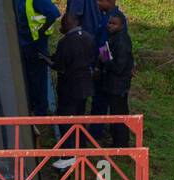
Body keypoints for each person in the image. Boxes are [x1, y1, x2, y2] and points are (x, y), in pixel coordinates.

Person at [46, 13, 95, 169]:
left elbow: (59, 65)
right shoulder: (88, 37)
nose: (61, 27)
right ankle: (81, 151)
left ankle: (68, 155)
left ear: (69, 23)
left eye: (63, 24)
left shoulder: (65, 42)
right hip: (85, 86)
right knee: (80, 119)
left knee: (65, 121)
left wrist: (48, 61)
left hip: (69, 88)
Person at [15, 0, 61, 119]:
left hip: (36, 44)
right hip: (24, 43)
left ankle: (40, 111)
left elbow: (54, 12)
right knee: (28, 78)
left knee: (38, 79)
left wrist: (41, 31)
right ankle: (31, 106)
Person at [95, 13, 134, 148]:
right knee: (115, 113)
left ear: (121, 25)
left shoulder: (122, 41)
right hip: (112, 84)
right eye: (109, 23)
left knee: (119, 114)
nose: (109, 26)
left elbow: (119, 67)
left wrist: (104, 58)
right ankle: (116, 141)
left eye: (113, 24)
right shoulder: (113, 38)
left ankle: (121, 144)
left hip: (118, 86)